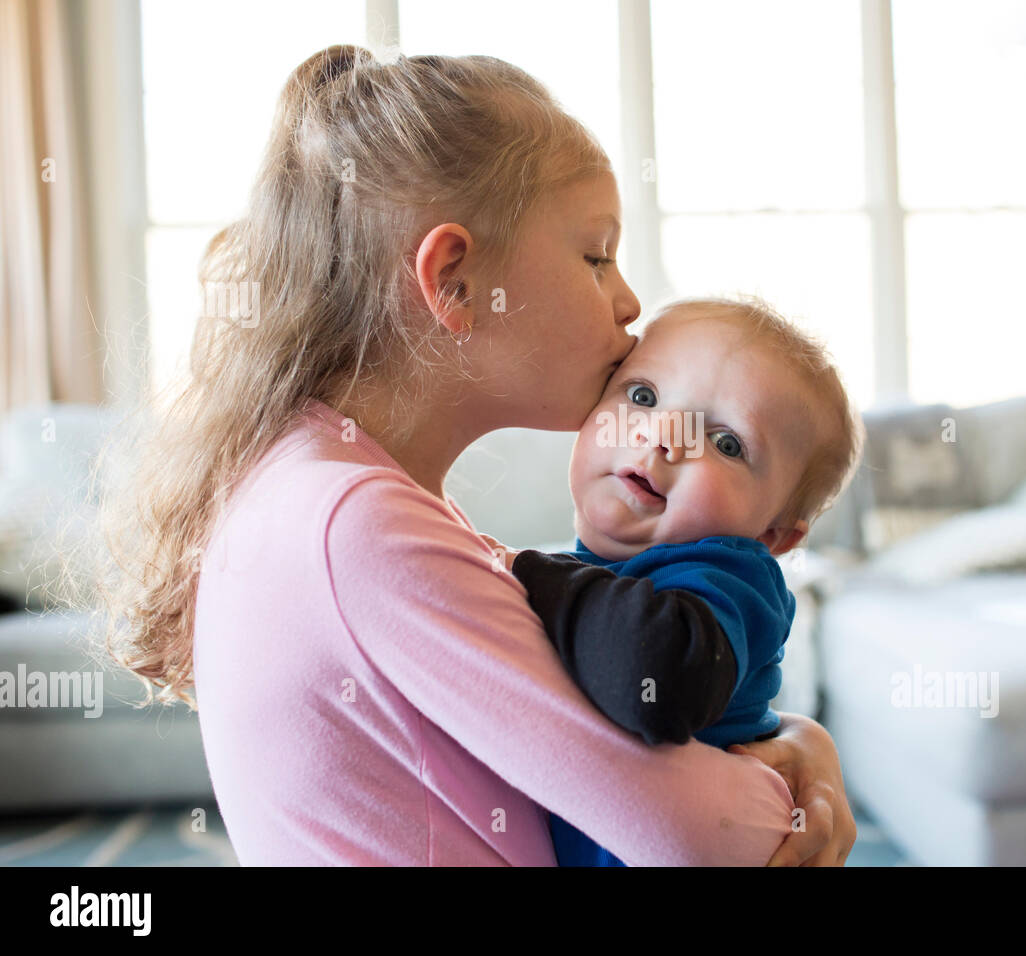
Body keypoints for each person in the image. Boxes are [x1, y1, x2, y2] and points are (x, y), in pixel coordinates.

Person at [94, 45, 856, 865]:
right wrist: (794, 764)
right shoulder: (357, 527)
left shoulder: (324, 486)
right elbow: (693, 834)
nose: (630, 301)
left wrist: (798, 737)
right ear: (454, 279)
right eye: (596, 256)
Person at [506, 297, 865, 866]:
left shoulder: (731, 576)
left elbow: (654, 675)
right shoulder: (582, 575)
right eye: (643, 396)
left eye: (727, 443)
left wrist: (520, 573)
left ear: (771, 536)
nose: (665, 436)